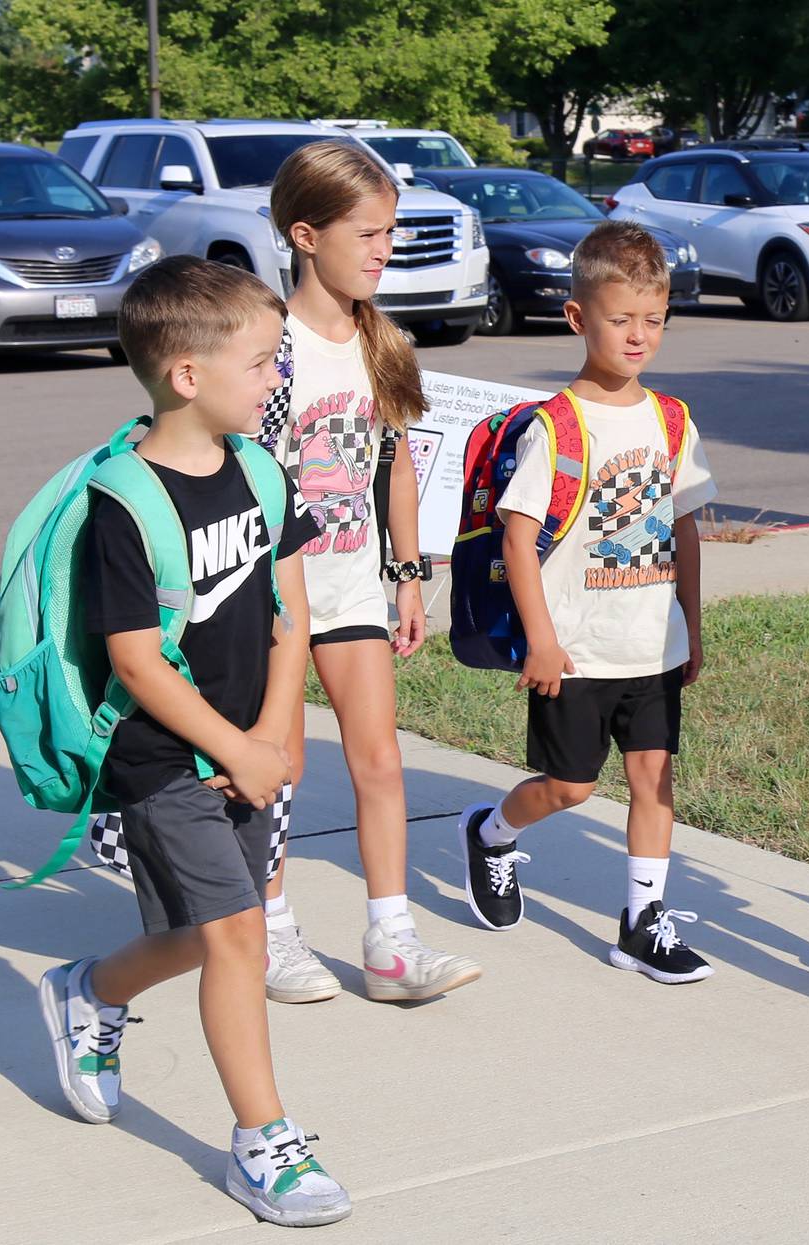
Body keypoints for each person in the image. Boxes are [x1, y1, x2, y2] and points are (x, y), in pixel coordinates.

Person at [37, 257, 352, 1226]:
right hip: (162, 757)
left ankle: (84, 993)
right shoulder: (124, 502)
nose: (275, 383)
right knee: (237, 938)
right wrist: (232, 746)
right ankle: (265, 1145)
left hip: (248, 746)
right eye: (261, 365)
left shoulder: (259, 469)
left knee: (194, 936)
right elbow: (135, 662)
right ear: (186, 375)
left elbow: (289, 606)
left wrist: (274, 730)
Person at [456, 220, 720, 984]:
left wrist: (691, 627)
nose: (638, 336)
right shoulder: (557, 426)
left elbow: (686, 531)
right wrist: (540, 639)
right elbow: (516, 537)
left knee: (654, 780)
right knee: (570, 786)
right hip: (574, 647)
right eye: (620, 318)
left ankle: (642, 923)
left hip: (653, 643)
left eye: (653, 319)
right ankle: (494, 830)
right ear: (578, 318)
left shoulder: (672, 420)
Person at [258, 141, 481, 1004]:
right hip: (274, 591)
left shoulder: (381, 340)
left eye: (391, 231)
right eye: (368, 233)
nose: (385, 248)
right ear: (306, 235)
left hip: (353, 582)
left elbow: (397, 463)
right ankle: (272, 932)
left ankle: (391, 941)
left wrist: (410, 573)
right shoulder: (267, 343)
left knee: (380, 760)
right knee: (282, 765)